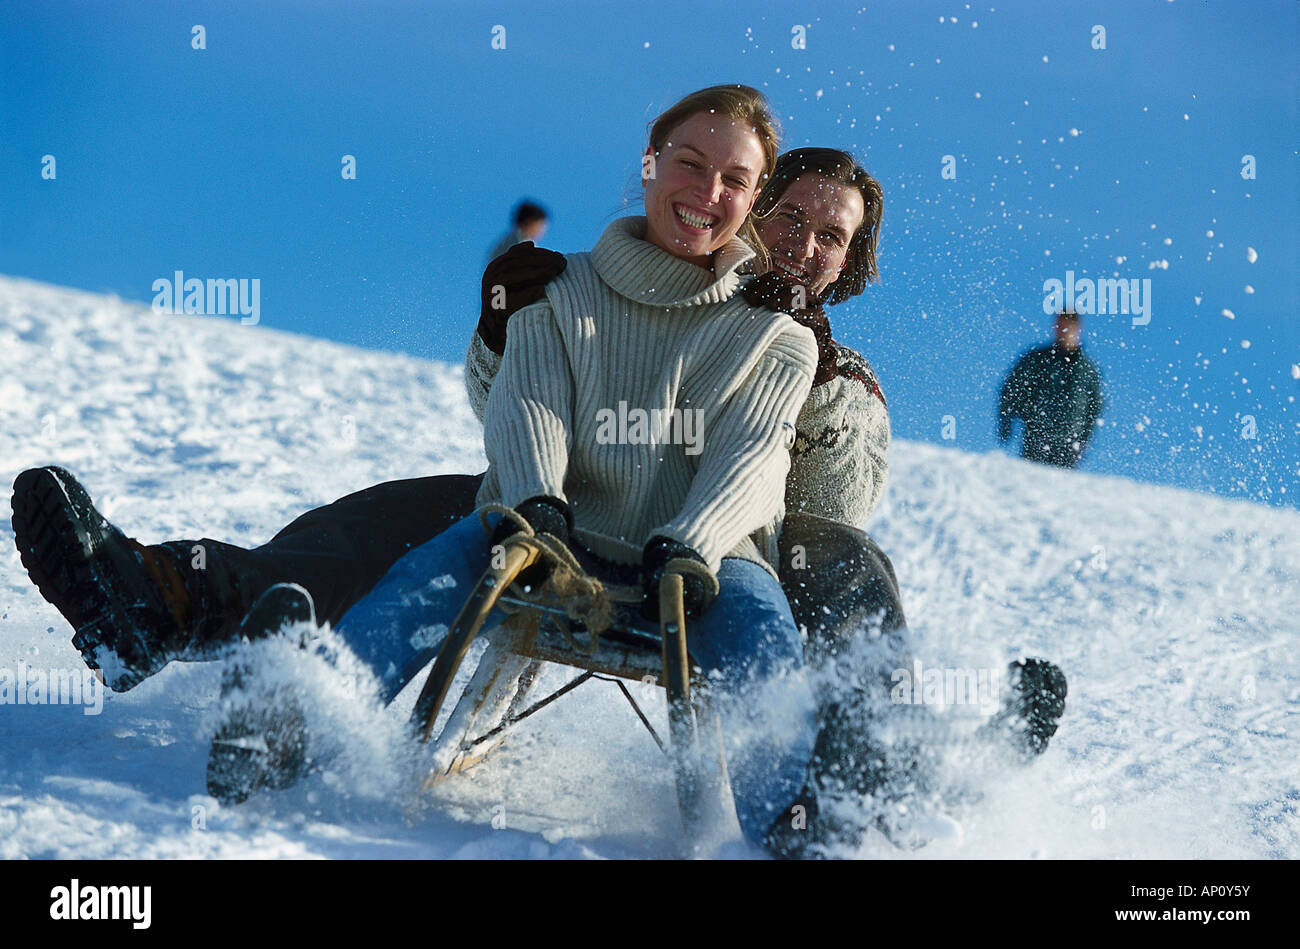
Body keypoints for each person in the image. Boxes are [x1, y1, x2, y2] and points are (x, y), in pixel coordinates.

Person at [12, 137, 1063, 855]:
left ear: (850, 265)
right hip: (569, 508)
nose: (804, 241)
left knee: (847, 566)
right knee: (419, 509)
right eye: (789, 214)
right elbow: (507, 402)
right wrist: (503, 327)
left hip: (722, 556)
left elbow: (828, 515)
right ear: (748, 207)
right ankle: (157, 603)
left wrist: (814, 378)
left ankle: (870, 777)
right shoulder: (632, 280)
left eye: (831, 237)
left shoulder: (840, 370)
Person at [998, 309, 1104, 468]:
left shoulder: (1087, 370)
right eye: (1059, 327)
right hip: (1037, 438)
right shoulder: (1038, 360)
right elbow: (1012, 388)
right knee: (1031, 485)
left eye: (1067, 327)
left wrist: (1084, 440)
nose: (1062, 332)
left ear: (1077, 330)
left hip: (1069, 444)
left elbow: (1094, 407)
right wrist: (1006, 420)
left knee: (1059, 489)